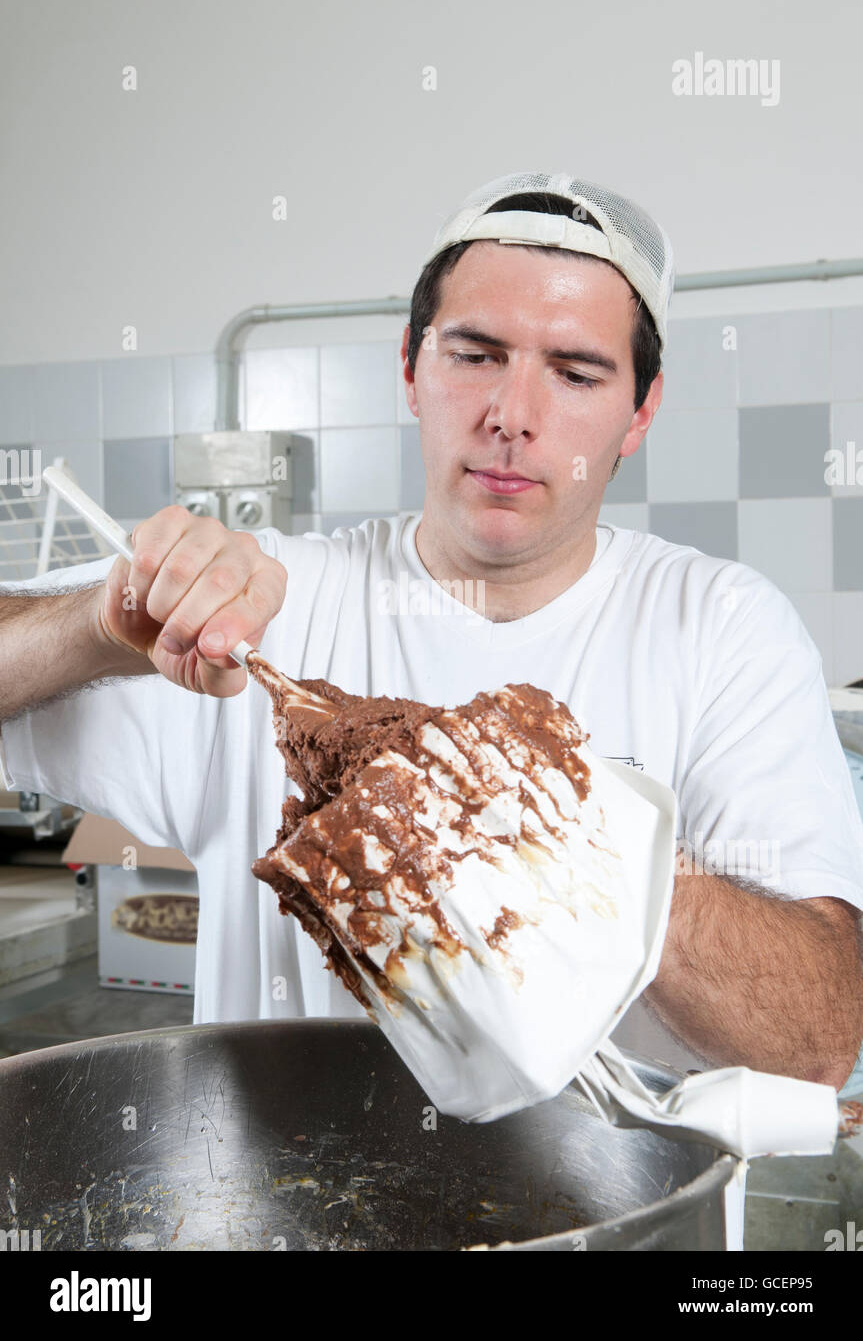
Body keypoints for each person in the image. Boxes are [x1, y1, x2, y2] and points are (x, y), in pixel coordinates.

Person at [1, 171, 862, 1093]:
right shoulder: (259, 608)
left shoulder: (722, 629)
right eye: (475, 355)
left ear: (639, 412)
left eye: (574, 373)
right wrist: (99, 626)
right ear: (410, 367)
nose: (511, 418)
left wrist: (571, 828)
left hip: (621, 1223)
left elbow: (817, 1041)